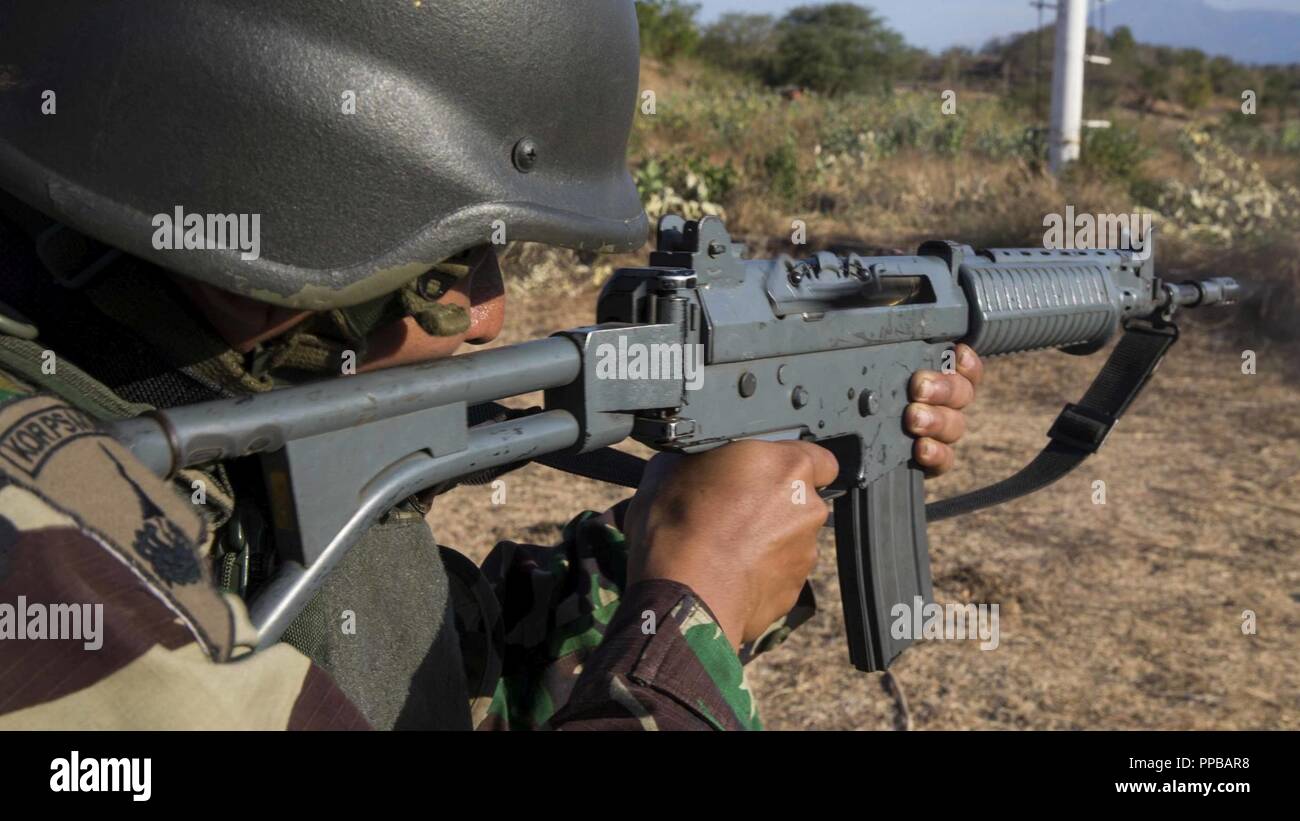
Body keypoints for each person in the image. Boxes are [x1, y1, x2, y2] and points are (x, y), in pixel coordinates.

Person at [0, 0, 982, 731]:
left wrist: (673, 543)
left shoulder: (193, 403)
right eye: (440, 263)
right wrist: (688, 626)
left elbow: (417, 665)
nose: (489, 313)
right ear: (266, 208)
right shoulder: (38, 559)